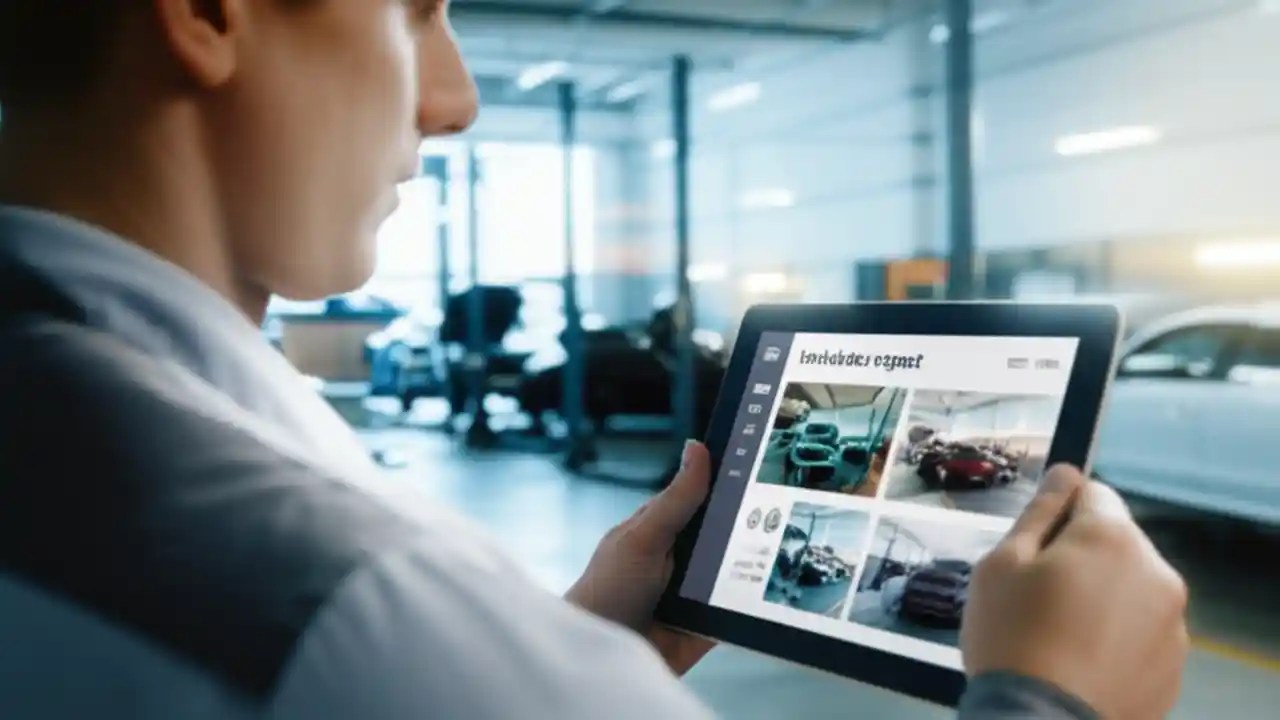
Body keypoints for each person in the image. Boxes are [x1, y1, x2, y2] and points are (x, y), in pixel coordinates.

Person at [0, 2, 1188, 719]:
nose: (453, 99)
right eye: (413, 9)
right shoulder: (367, 606)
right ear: (209, 9)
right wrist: (1049, 698)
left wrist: (591, 658)